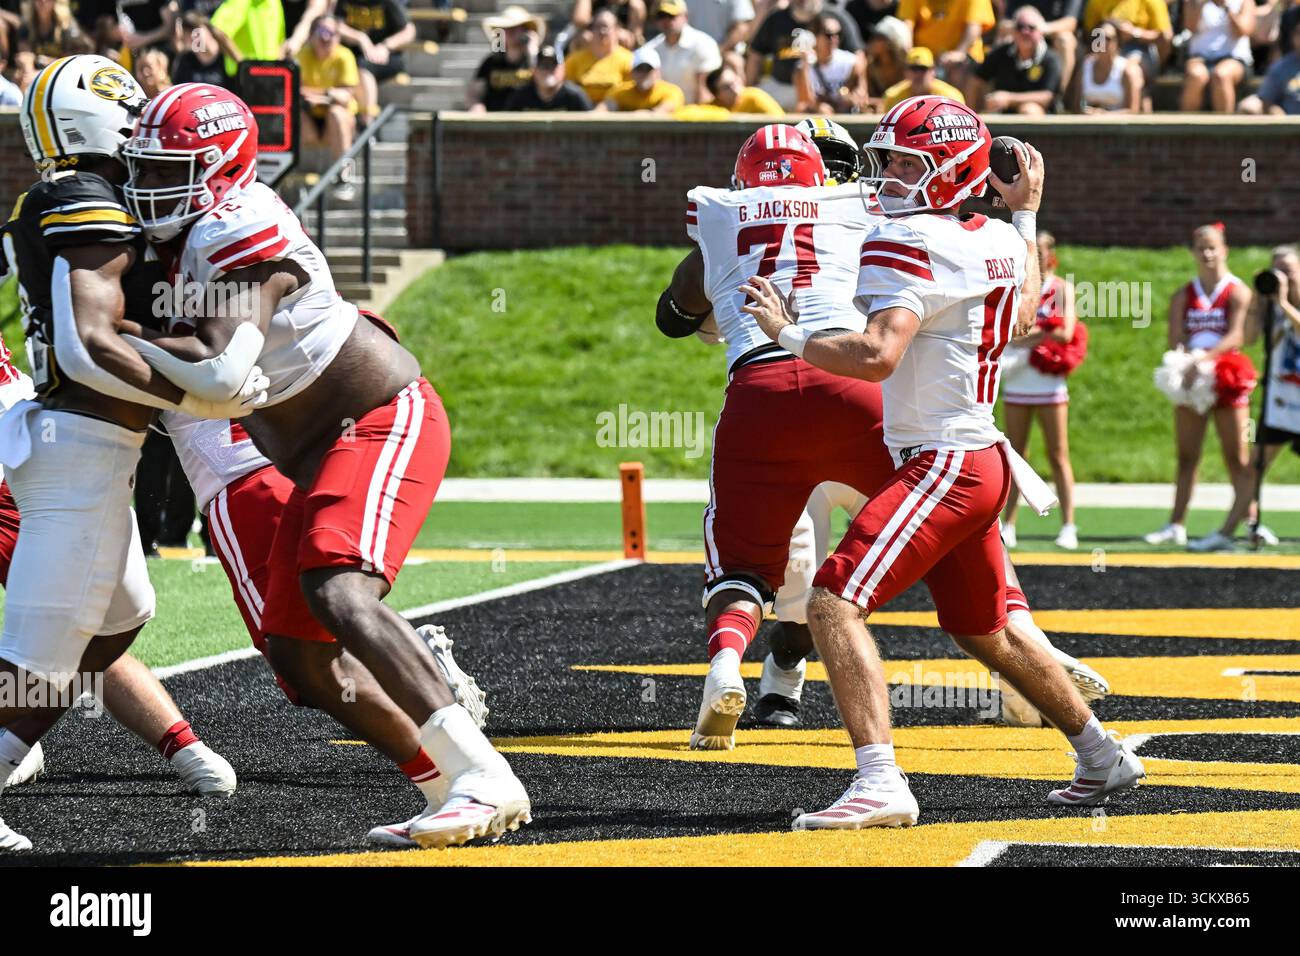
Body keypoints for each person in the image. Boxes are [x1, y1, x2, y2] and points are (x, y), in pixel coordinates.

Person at [119, 83, 530, 847]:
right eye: (144, 170)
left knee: (338, 590)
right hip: (321, 451)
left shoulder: (237, 222)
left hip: (381, 417)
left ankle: (484, 775)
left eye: (169, 169)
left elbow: (218, 373)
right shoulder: (181, 243)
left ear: (221, 166)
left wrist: (103, 342)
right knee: (300, 656)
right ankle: (446, 787)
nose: (149, 189)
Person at [742, 96, 1142, 827]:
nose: (890, 175)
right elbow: (1023, 312)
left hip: (946, 464)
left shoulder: (910, 243)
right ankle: (1101, 755)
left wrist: (788, 334)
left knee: (833, 601)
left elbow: (874, 356)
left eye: (906, 163)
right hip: (980, 456)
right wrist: (1026, 216)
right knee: (981, 627)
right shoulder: (993, 236)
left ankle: (881, 781)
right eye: (889, 159)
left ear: (952, 170)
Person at [0, 57, 265, 852]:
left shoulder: (77, 199)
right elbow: (88, 346)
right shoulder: (80, 196)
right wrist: (203, 393)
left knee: (122, 613)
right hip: (75, 444)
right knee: (39, 658)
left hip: (91, 444)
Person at [658, 124, 897, 751]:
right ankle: (1022, 653)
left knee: (752, 566)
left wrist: (724, 275)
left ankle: (728, 666)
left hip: (763, 397)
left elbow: (671, 318)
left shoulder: (725, 220)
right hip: (859, 395)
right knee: (950, 512)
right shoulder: (869, 215)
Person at [1145, 223, 1253, 547]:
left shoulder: (1237, 291)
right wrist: (1185, 364)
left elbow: (1238, 335)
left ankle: (1251, 522)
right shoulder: (1184, 294)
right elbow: (1175, 338)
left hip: (1227, 376)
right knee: (1187, 455)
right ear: (1193, 252)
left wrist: (1203, 359)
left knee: (1237, 456)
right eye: (1201, 248)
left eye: (1212, 247)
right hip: (1192, 379)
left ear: (1224, 250)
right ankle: (1176, 523)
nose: (1207, 253)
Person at [1190, 245, 1300, 551]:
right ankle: (1227, 532)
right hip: (1283, 401)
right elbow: (1250, 338)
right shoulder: (1270, 307)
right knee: (1255, 467)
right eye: (1276, 270)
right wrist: (1260, 304)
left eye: (1288, 270)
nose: (1282, 277)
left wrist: (1285, 303)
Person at [999, 231, 1080, 550]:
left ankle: (1069, 525)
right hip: (1017, 382)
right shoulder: (1016, 288)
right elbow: (1005, 330)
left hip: (1049, 383)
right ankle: (1009, 524)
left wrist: (1028, 336)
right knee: (1015, 455)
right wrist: (1039, 334)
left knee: (1058, 454)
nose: (1036, 261)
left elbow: (1065, 332)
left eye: (1041, 255)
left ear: (1051, 256)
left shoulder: (1061, 288)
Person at [747, 0, 864, 110]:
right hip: (781, 86)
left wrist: (854, 90)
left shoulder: (835, 17)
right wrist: (750, 85)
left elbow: (858, 57)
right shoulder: (775, 18)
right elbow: (756, 54)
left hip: (823, 90)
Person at [297, 13, 360, 199]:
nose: (326, 38)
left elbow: (346, 97)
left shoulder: (344, 56)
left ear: (338, 36)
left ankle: (344, 174)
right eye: (322, 31)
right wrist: (330, 94)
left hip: (339, 120)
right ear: (312, 35)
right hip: (310, 118)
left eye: (331, 33)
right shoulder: (302, 55)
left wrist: (322, 95)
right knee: (291, 112)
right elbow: (296, 92)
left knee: (337, 113)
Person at [969, 6, 1062, 114]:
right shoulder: (1001, 52)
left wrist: (1008, 99)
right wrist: (975, 111)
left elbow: (1047, 97)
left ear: (1041, 31)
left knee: (1029, 109)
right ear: (1013, 31)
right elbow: (977, 80)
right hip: (1001, 110)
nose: (1025, 32)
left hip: (1040, 117)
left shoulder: (1051, 58)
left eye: (1031, 28)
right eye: (1020, 27)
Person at [334, 0, 414, 124]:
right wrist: (360, 38)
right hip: (353, 58)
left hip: (386, 57)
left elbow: (409, 30)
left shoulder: (388, 2)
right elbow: (335, 24)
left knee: (363, 68)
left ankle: (367, 125)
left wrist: (386, 46)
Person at [895, 0, 995, 88]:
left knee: (959, 70)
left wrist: (959, 53)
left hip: (960, 57)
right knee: (912, 67)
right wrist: (910, 54)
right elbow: (906, 26)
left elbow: (974, 28)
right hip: (924, 57)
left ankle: (966, 108)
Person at [1181, 0, 1256, 112]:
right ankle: (1186, 127)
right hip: (1200, 58)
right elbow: (1189, 27)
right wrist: (1200, 4)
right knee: (1196, 75)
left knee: (1221, 75)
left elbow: (1244, 30)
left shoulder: (1245, 2)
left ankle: (1225, 127)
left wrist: (1226, 7)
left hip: (1234, 58)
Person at [641, 0, 720, 104]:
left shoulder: (704, 44)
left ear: (685, 17)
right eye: (661, 16)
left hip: (694, 113)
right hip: (662, 112)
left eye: (672, 15)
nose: (667, 20)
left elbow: (705, 90)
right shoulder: (650, 48)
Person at [467, 5, 544, 113]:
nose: (509, 32)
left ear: (526, 31)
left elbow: (546, 88)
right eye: (505, 28)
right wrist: (477, 106)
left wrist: (532, 54)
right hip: (495, 122)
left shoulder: (539, 61)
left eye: (515, 27)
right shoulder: (491, 62)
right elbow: (475, 92)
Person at [794, 12, 869, 113]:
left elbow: (862, 94)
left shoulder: (852, 63)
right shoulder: (803, 67)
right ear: (815, 37)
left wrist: (850, 98)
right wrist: (804, 66)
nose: (834, 39)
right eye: (828, 35)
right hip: (820, 119)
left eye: (838, 34)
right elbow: (805, 101)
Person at [998, 0, 1081, 88]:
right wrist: (1023, 27)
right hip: (1023, 32)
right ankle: (1000, 91)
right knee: (1005, 38)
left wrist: (1043, 28)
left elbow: (1071, 22)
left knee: (1065, 40)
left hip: (1051, 34)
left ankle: (1057, 95)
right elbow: (1006, 21)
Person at [564, 8, 634, 102]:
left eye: (606, 27)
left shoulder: (629, 60)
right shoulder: (574, 60)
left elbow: (631, 93)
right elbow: (567, 89)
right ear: (591, 30)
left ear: (616, 30)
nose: (602, 31)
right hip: (582, 112)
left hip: (616, 112)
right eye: (598, 27)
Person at [1075, 18, 1143, 111]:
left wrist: (1103, 115)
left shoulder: (1128, 69)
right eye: (1098, 37)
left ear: (1117, 41)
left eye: (1107, 38)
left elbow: (1133, 110)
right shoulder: (1086, 65)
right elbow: (1075, 106)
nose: (1102, 42)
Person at [1239, 14, 1300, 113]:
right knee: (1248, 106)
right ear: (1293, 36)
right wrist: (1283, 121)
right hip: (1291, 124)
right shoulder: (1281, 67)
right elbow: (1267, 103)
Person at [505, 43, 595, 109]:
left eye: (553, 66)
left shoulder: (575, 96)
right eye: (543, 66)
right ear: (534, 71)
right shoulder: (520, 97)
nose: (547, 71)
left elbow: (591, 126)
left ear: (562, 70)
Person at [600, 44, 685, 110]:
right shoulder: (619, 92)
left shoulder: (671, 92)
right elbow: (601, 111)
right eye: (639, 69)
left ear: (658, 72)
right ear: (632, 72)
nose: (644, 73)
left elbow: (661, 112)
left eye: (648, 68)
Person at [171, 13, 242, 90]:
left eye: (195, 30)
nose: (193, 37)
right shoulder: (185, 62)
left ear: (207, 28)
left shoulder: (228, 56)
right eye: (186, 35)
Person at [880, 45, 964, 109]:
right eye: (914, 68)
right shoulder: (892, 96)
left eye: (923, 68)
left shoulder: (950, 96)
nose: (918, 73)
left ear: (933, 71)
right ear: (906, 71)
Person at [704, 61, 784, 113]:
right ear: (717, 95)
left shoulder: (755, 97)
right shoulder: (714, 108)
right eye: (726, 87)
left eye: (734, 82)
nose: (733, 88)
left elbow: (780, 123)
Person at [683, 0, 754, 53]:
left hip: (726, 51)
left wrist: (720, 50)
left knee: (731, 70)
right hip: (690, 53)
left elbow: (742, 27)